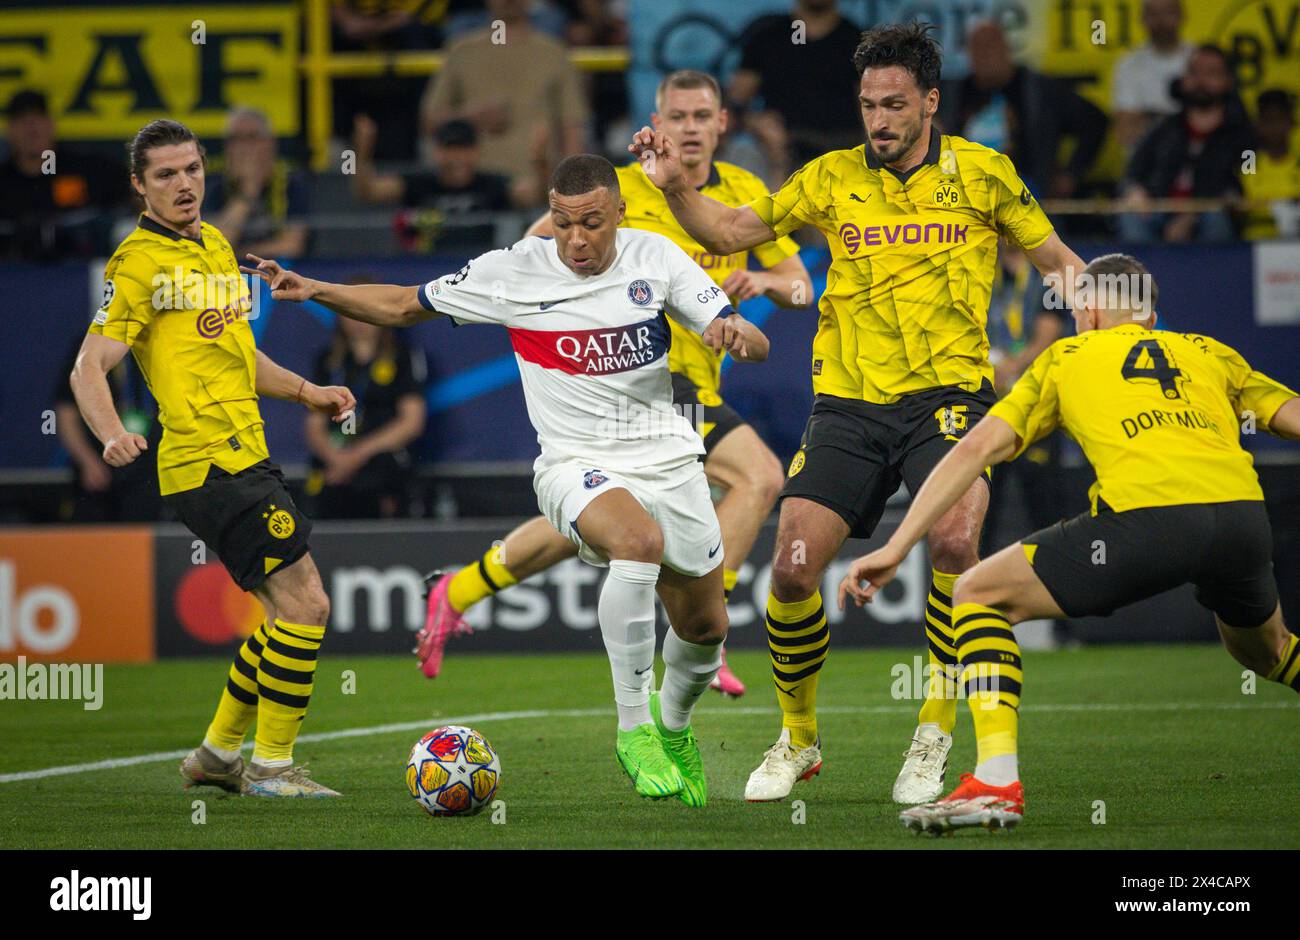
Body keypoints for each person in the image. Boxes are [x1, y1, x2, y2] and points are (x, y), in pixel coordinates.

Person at [630, 22, 1086, 805]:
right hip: (847, 403)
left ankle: (935, 731)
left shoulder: (985, 175)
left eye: (895, 104)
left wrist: (1107, 322)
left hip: (950, 397)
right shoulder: (830, 177)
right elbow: (735, 229)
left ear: (931, 102)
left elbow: (1061, 266)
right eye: (869, 103)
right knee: (795, 569)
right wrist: (675, 186)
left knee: (952, 539)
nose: (878, 119)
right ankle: (799, 740)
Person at [243, 154, 771, 807]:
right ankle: (634, 730)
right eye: (563, 222)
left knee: (705, 626)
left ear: (620, 215)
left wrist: (739, 333)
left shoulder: (655, 256)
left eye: (592, 224)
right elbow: (406, 305)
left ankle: (674, 726)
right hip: (574, 463)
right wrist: (317, 288)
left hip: (667, 454)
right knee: (635, 542)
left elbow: (737, 328)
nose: (576, 239)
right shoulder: (512, 270)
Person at [839, 253, 1300, 832]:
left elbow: (975, 449)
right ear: (1150, 317)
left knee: (978, 592)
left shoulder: (1066, 356)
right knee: (1267, 651)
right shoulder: (1209, 352)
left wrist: (897, 544)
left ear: (1086, 310)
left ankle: (996, 783)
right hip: (1242, 521)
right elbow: (1292, 416)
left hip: (1148, 522)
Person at [418, 69, 814, 696]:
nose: (688, 128)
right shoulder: (616, 191)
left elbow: (802, 288)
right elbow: (533, 253)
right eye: (676, 116)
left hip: (700, 383)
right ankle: (709, 626)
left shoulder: (742, 193)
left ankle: (459, 588)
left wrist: (765, 284)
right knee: (760, 476)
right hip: (649, 382)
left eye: (700, 116)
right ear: (657, 124)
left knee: (590, 523)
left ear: (721, 124)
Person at [69, 119, 355, 798]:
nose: (184, 184)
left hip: (244, 456)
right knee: (308, 603)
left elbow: (239, 356)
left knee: (285, 614)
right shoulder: (137, 265)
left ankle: (220, 754)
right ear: (140, 187)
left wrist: (309, 390)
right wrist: (110, 432)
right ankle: (272, 767)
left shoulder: (218, 244)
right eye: (165, 174)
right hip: (206, 461)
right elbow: (90, 366)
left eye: (192, 168)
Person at [418, 0, 589, 201]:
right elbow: (429, 120)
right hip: (473, 192)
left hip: (537, 189)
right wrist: (471, 117)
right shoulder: (462, 51)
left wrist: (570, 192)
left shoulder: (553, 54)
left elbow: (572, 130)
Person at [940, 20, 1108, 199]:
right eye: (978, 49)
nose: (985, 55)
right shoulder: (954, 94)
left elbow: (1095, 121)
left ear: (1006, 48)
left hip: (1030, 195)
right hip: (965, 195)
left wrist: (1071, 174)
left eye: (991, 47)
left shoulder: (1039, 91)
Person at [305, 299, 428, 519]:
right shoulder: (328, 362)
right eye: (350, 311)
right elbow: (314, 423)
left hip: (382, 458)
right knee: (322, 486)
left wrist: (357, 456)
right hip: (335, 459)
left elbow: (412, 421)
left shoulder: (402, 357)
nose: (358, 320)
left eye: (364, 309)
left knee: (382, 471)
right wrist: (336, 459)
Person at [1119, 45, 1255, 243]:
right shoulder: (1164, 128)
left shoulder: (1240, 135)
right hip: (1161, 212)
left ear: (1228, 81)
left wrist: (1192, 215)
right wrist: (1135, 191)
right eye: (1194, 72)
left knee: (1214, 217)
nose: (1200, 81)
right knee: (1131, 215)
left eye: (1211, 73)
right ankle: (1142, 273)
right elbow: (1133, 173)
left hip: (1211, 216)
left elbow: (1242, 188)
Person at [729, 0, 863, 173]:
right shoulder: (768, 34)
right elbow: (734, 104)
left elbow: (870, 105)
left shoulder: (856, 40)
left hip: (843, 151)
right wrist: (755, 122)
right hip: (781, 151)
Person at [0, 89, 127, 261]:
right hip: (15, 277)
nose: (31, 128)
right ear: (10, 130)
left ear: (51, 124)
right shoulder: (6, 180)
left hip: (82, 272)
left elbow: (133, 191)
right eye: (22, 120)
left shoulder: (85, 169)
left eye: (38, 118)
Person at [53, 332, 162, 523]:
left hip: (151, 466)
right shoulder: (94, 340)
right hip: (100, 460)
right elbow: (66, 412)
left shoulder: (164, 341)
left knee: (142, 538)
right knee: (91, 539)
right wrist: (87, 461)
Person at [207, 107, 311, 260]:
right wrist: (248, 192)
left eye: (252, 137)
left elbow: (292, 246)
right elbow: (214, 248)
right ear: (227, 147)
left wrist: (238, 255)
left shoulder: (292, 182)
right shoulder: (212, 183)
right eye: (236, 139)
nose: (244, 148)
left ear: (270, 144)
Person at [1111, 0, 1194, 154]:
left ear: (1182, 16)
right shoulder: (1129, 65)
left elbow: (1211, 124)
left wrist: (1149, 116)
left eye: (1167, 12)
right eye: (1153, 14)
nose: (1160, 20)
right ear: (1142, 19)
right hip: (1145, 165)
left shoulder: (1198, 60)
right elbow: (1126, 132)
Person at [1240, 89, 1300, 240]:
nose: (1274, 127)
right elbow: (1247, 196)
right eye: (1267, 120)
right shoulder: (1250, 159)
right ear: (1258, 124)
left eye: (1279, 119)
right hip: (1254, 240)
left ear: (1291, 122)